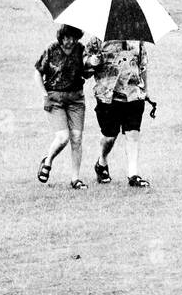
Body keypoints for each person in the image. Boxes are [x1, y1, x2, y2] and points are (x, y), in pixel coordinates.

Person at [34, 24, 97, 189]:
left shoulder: (80, 49)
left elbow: (86, 72)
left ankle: (75, 179)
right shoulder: (51, 49)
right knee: (63, 137)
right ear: (61, 37)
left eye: (73, 38)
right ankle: (47, 161)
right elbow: (38, 72)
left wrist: (93, 64)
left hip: (76, 99)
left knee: (77, 139)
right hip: (55, 98)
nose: (70, 42)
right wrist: (44, 95)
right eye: (67, 38)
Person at [92, 39, 152, 187]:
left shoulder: (138, 41)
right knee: (109, 137)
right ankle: (102, 162)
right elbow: (86, 68)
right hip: (108, 96)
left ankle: (133, 175)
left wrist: (145, 91)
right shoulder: (100, 40)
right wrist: (92, 61)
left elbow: (142, 66)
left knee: (133, 134)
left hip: (133, 94)